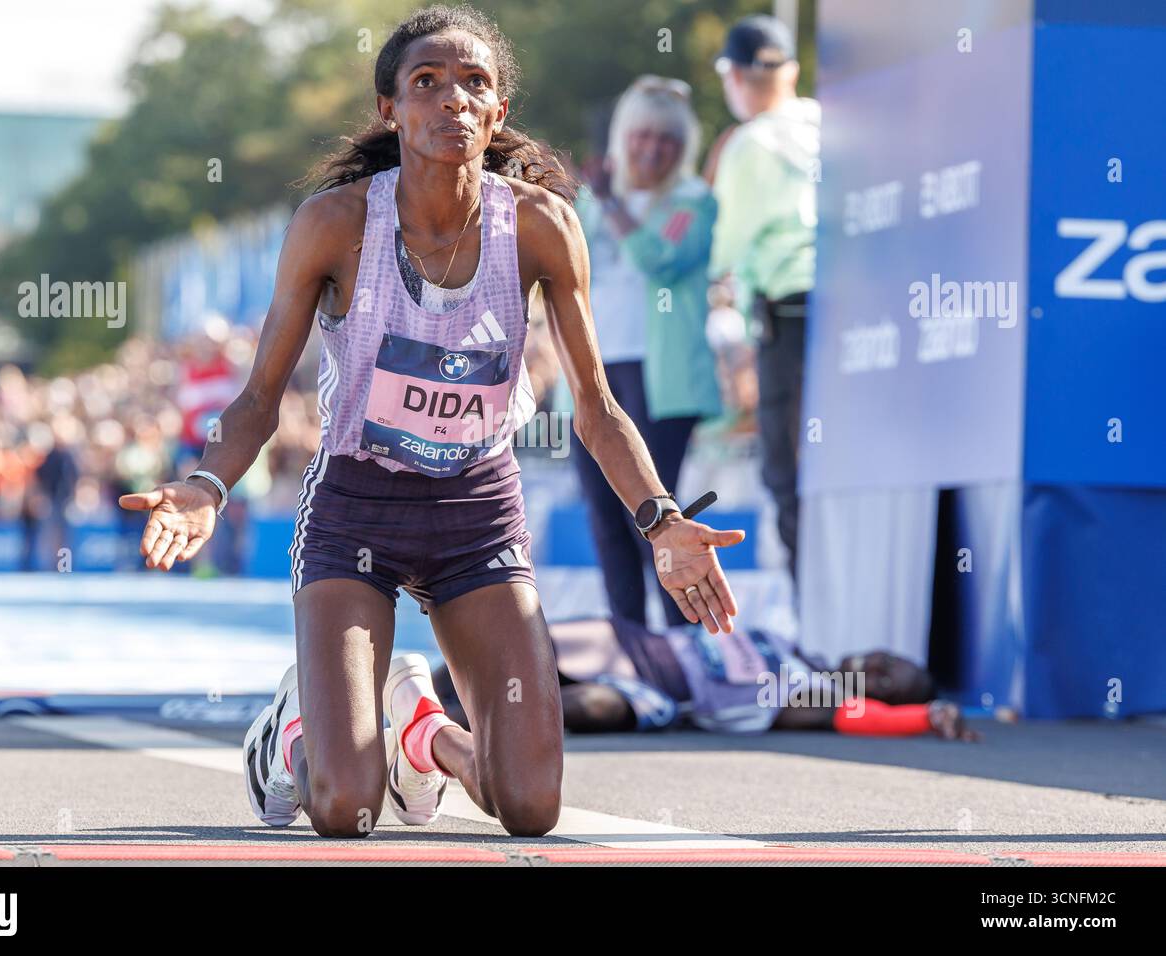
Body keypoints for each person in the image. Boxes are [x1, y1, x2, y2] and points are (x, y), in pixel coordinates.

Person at [119, 4, 745, 839]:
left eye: (474, 84)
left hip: (476, 512)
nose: (452, 100)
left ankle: (422, 736)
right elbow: (260, 399)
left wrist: (662, 520)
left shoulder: (542, 224)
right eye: (427, 83)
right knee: (345, 806)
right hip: (355, 509)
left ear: (497, 114)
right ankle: (286, 738)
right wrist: (204, 487)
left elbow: (595, 406)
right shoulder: (335, 224)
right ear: (391, 109)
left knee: (529, 806)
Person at [565, 76, 724, 629]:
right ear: (622, 137)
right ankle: (632, 643)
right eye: (643, 136)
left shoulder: (693, 201)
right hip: (590, 376)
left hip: (662, 378)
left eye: (668, 140)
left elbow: (661, 258)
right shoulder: (587, 202)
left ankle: (686, 643)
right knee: (605, 519)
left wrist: (612, 204)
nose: (653, 150)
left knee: (658, 513)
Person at [432, 617, 979, 741]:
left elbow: (849, 717)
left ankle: (444, 730)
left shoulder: (809, 694)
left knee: (589, 707)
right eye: (886, 658)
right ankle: (419, 694)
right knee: (504, 638)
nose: (874, 669)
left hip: (652, 692)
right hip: (631, 642)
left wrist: (922, 716)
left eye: (887, 681)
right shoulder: (783, 639)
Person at [708, 14, 820, 583]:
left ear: (737, 76)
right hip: (850, 313)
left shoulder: (752, 143)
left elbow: (721, 245)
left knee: (788, 470)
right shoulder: (827, 122)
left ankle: (817, 622)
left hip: (791, 313)